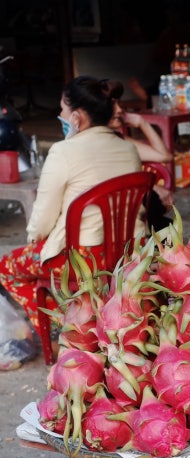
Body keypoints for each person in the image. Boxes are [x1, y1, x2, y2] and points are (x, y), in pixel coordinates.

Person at [0, 76, 142, 324]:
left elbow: (43, 217)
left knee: (7, 268)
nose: (61, 115)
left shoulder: (63, 151)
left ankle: (72, 326)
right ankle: (87, 322)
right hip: (129, 252)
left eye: (63, 110)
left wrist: (35, 239)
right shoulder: (128, 148)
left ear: (76, 118)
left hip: (81, 260)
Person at [107, 80, 174, 229]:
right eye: (113, 105)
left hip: (128, 209)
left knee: (164, 222)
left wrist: (142, 122)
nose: (119, 110)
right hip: (113, 213)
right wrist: (151, 187)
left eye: (119, 104)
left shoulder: (120, 139)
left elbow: (164, 156)